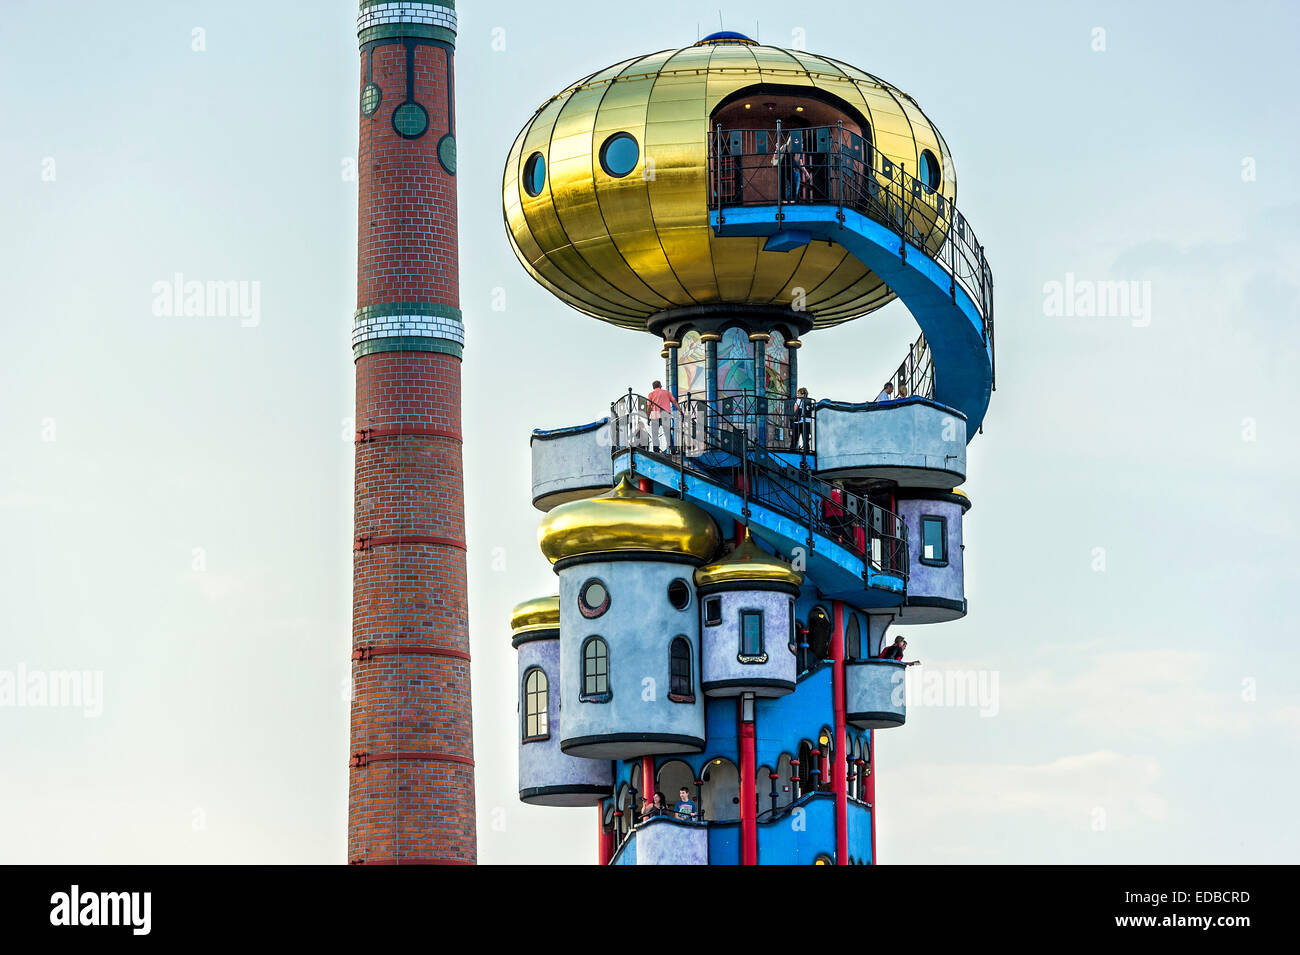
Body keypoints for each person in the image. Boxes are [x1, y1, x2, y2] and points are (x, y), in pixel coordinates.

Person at [647, 380, 677, 452]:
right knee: (667, 433)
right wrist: (681, 411)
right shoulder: (666, 392)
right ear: (660, 386)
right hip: (665, 415)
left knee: (655, 433)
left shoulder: (651, 394)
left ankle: (656, 450)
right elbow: (674, 401)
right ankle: (672, 449)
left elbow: (649, 407)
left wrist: (647, 417)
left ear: (653, 387)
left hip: (655, 415)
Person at [793, 387, 813, 453]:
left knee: (795, 439)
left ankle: (793, 451)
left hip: (799, 421)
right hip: (808, 421)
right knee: (806, 439)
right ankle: (807, 451)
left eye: (798, 393)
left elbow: (795, 409)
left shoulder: (799, 400)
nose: (797, 395)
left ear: (802, 394)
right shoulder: (809, 401)